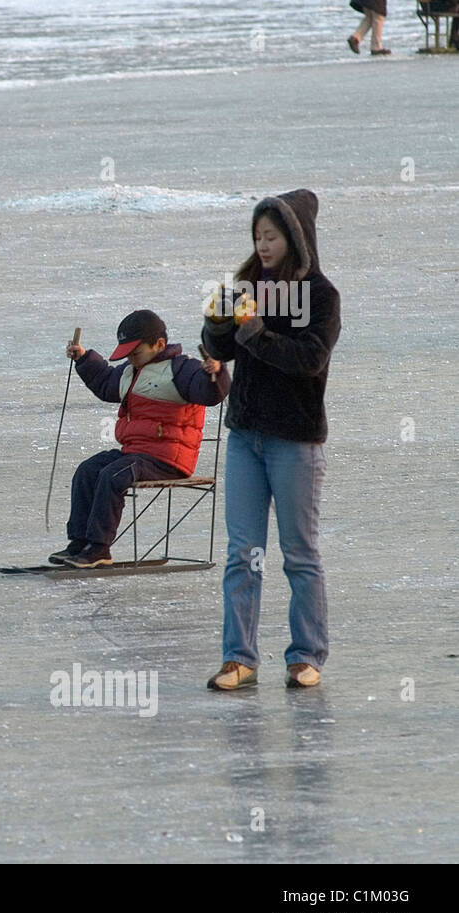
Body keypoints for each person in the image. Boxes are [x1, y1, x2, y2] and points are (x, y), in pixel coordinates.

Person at [201, 189, 340, 690]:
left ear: (295, 239)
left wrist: (254, 331)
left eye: (272, 236)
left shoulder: (321, 295)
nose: (262, 245)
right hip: (246, 438)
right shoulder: (248, 285)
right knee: (243, 552)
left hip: (295, 443)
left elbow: (309, 359)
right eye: (257, 236)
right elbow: (220, 348)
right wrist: (216, 323)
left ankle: (306, 656)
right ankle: (238, 658)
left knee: (299, 553)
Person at [52, 310, 229, 569]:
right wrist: (83, 358)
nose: (131, 359)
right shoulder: (130, 371)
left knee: (113, 475)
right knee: (88, 470)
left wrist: (217, 373)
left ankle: (99, 548)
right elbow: (105, 382)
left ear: (158, 344)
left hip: (168, 458)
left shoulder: (182, 369)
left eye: (136, 353)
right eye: (127, 354)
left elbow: (210, 393)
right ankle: (81, 543)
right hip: (136, 453)